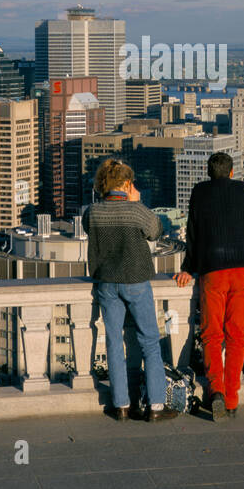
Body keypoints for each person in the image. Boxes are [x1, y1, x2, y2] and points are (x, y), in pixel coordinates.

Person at [175, 151, 244, 420]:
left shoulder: (199, 192)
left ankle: (215, 390)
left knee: (211, 334)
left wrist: (188, 268)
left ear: (209, 172)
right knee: (237, 335)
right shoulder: (242, 190)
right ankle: (231, 398)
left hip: (211, 269)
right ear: (231, 172)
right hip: (241, 268)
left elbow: (193, 232)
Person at [82, 158, 177, 422]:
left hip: (106, 281)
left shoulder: (92, 211)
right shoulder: (136, 210)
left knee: (114, 342)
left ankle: (121, 405)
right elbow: (156, 230)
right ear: (126, 183)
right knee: (149, 341)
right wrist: (136, 202)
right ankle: (155, 406)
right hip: (135, 280)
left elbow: (87, 230)